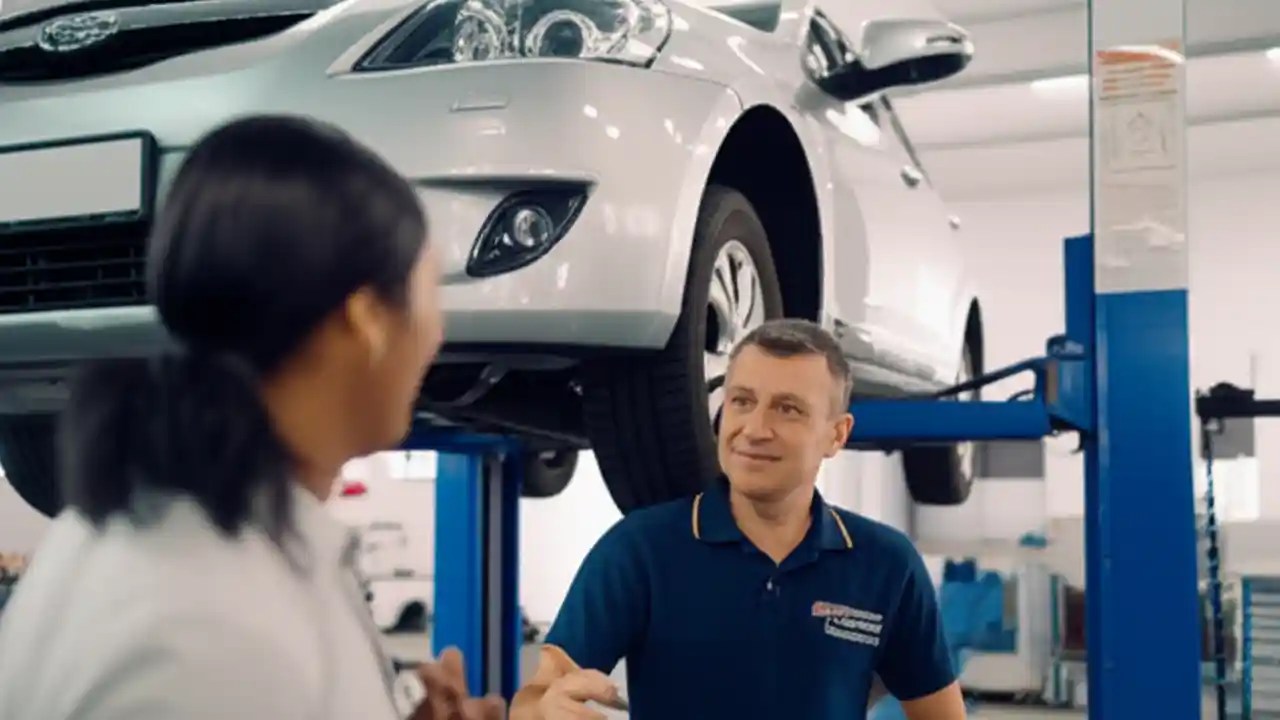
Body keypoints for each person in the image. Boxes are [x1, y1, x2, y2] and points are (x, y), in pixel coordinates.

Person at [0, 115, 503, 720]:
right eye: (430, 293)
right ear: (365, 317)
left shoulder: (154, 533)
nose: (438, 332)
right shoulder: (215, 632)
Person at [510, 318, 966, 720]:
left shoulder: (886, 565)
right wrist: (542, 711)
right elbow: (536, 696)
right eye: (742, 401)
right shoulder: (640, 551)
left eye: (788, 409)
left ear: (836, 434)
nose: (755, 428)